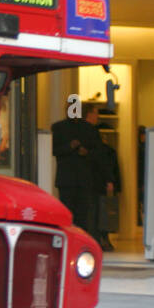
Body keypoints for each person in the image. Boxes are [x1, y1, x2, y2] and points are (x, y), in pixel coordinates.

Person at [51, 101, 101, 241]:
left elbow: (98, 152)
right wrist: (69, 146)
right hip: (66, 178)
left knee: (83, 215)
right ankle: (67, 239)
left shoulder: (89, 129)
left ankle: (81, 240)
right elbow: (54, 150)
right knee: (67, 213)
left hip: (83, 178)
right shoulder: (58, 127)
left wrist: (87, 153)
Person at [87, 106, 120, 251]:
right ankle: (96, 240)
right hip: (95, 180)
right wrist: (109, 179)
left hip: (87, 180)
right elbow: (100, 158)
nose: (98, 116)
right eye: (96, 113)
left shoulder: (86, 132)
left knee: (93, 212)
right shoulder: (92, 133)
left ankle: (94, 240)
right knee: (96, 212)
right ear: (89, 114)